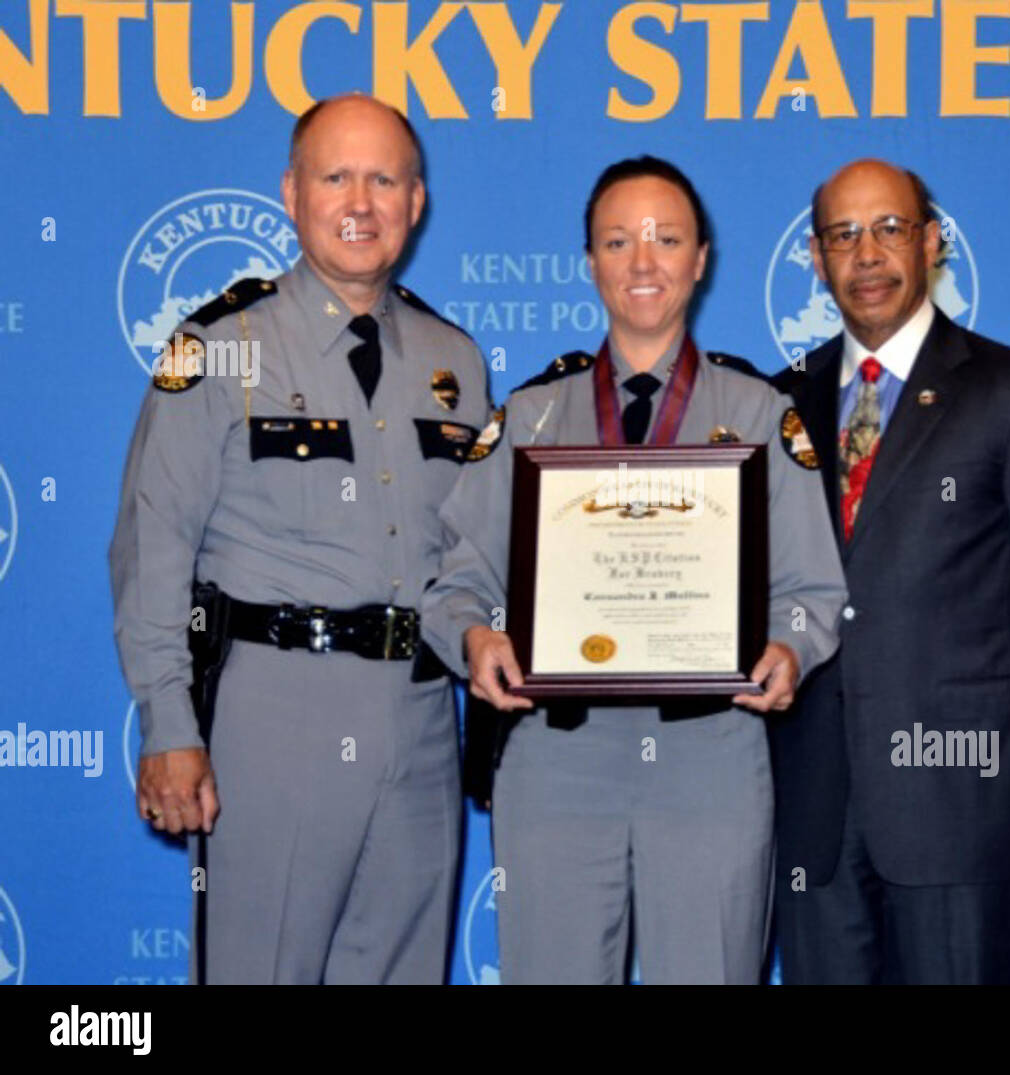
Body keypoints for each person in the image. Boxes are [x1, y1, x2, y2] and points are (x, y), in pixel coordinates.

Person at [422, 156, 846, 984]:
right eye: (618, 241)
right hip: (556, 755)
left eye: (666, 239)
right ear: (589, 263)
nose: (642, 262)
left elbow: (812, 590)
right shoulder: (530, 416)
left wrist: (790, 650)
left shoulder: (762, 414)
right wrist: (474, 638)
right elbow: (459, 578)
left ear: (701, 258)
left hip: (713, 751)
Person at [109, 93, 491, 984]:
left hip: (423, 717)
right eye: (335, 176)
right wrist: (169, 724)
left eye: (384, 179)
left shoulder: (456, 362)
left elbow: (476, 555)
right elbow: (150, 544)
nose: (361, 201)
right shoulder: (219, 349)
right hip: (275, 716)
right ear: (290, 192)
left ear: (417, 201)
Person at [769, 159, 1010, 984]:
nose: (867, 254)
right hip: (812, 813)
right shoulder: (775, 401)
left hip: (968, 810)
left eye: (889, 228)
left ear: (932, 242)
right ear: (815, 259)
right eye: (843, 235)